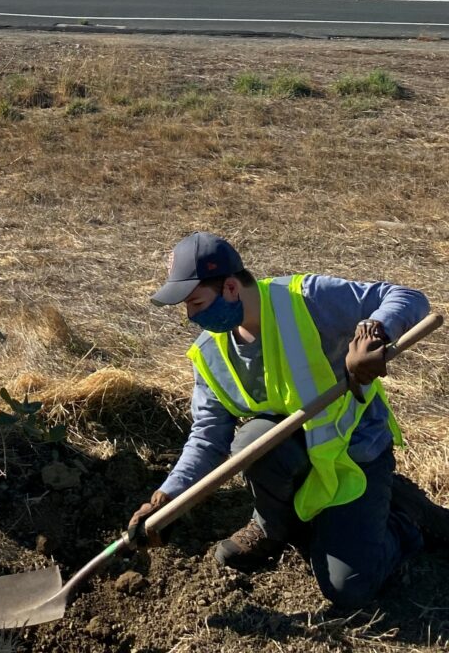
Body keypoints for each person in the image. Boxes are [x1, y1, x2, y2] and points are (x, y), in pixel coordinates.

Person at [129, 232, 449, 609]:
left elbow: (407, 297)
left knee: (348, 589)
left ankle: (404, 518)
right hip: (295, 454)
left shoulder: (305, 299)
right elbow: (207, 438)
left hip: (354, 456)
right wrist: (169, 497)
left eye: (196, 302)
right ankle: (273, 527)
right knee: (251, 440)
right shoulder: (212, 352)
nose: (191, 316)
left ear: (230, 287)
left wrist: (373, 333)